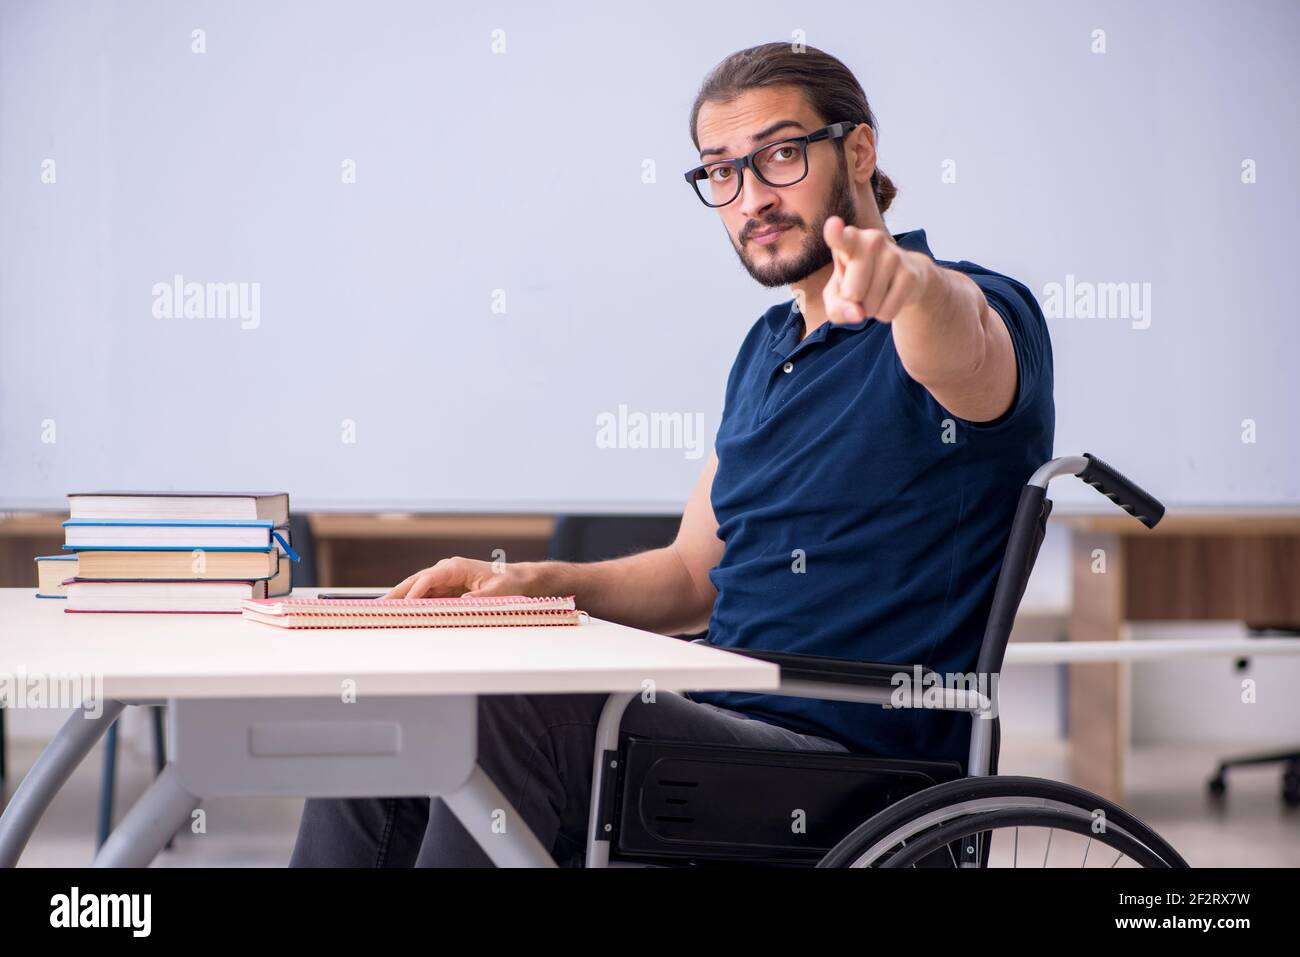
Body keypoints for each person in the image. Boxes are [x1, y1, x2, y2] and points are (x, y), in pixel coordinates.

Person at [290, 41, 1054, 867]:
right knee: (402, 696)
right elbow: (692, 575)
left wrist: (908, 284)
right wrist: (528, 586)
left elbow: (959, 341)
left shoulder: (966, 305)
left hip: (851, 771)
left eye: (781, 155)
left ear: (858, 150)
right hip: (711, 729)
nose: (751, 197)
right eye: (721, 172)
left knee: (506, 707)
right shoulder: (766, 353)